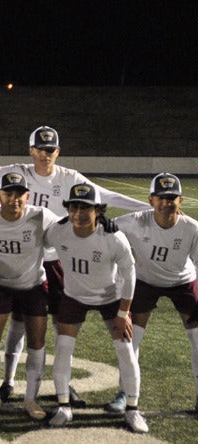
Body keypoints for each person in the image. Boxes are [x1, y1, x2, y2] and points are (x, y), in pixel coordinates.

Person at [0, 126, 148, 405]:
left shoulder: (70, 177)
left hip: (61, 258)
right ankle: (9, 380)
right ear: (31, 151)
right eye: (39, 149)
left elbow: (105, 196)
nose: (44, 155)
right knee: (18, 322)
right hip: (29, 256)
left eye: (50, 150)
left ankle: (65, 385)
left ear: (58, 152)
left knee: (61, 325)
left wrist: (148, 209)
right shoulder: (19, 172)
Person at [45, 183, 148, 433]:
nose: (79, 213)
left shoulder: (113, 238)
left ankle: (133, 409)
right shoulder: (58, 232)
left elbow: (130, 274)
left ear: (98, 210)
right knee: (63, 348)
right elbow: (39, 242)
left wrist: (123, 313)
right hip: (73, 296)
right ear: (67, 209)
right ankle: (63, 405)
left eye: (86, 208)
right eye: (74, 207)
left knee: (125, 350)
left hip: (110, 298)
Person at [105, 173, 198, 414]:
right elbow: (106, 226)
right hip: (145, 281)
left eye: (171, 198)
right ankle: (125, 393)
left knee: (197, 338)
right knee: (130, 339)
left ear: (181, 200)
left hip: (183, 282)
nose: (166, 203)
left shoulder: (192, 228)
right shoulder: (135, 221)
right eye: (161, 198)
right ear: (150, 200)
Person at [0, 173, 58, 419]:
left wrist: (100, 223)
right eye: (8, 193)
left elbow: (71, 229)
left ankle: (31, 399)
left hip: (33, 285)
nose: (13, 199)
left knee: (37, 342)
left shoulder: (41, 216)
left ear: (27, 196)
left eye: (18, 194)